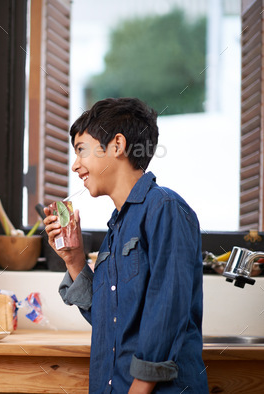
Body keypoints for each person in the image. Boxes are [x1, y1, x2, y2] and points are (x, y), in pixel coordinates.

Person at [44, 98, 208, 393]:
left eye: (81, 150)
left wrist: (140, 387)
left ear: (116, 145)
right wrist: (74, 259)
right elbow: (109, 320)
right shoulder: (117, 226)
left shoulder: (165, 208)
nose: (74, 165)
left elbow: (167, 308)